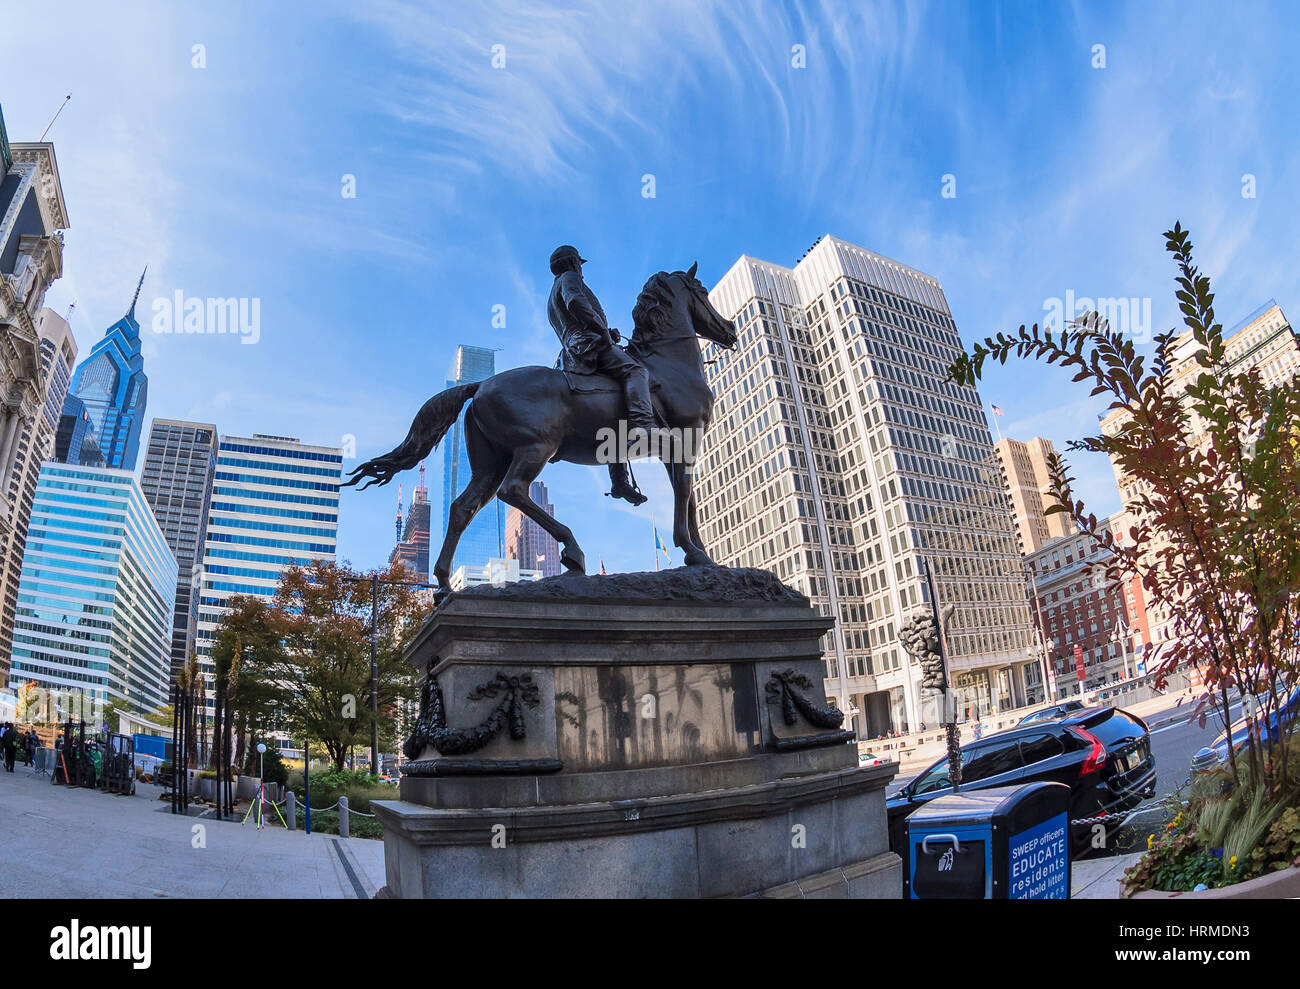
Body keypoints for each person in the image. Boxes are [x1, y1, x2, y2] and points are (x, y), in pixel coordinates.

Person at [548, 244, 656, 506]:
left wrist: (607, 331)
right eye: (580, 265)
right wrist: (602, 330)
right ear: (574, 263)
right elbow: (576, 302)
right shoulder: (569, 279)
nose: (581, 271)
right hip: (586, 342)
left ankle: (620, 482)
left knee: (615, 411)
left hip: (575, 343)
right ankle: (644, 427)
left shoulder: (553, 291)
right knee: (635, 370)